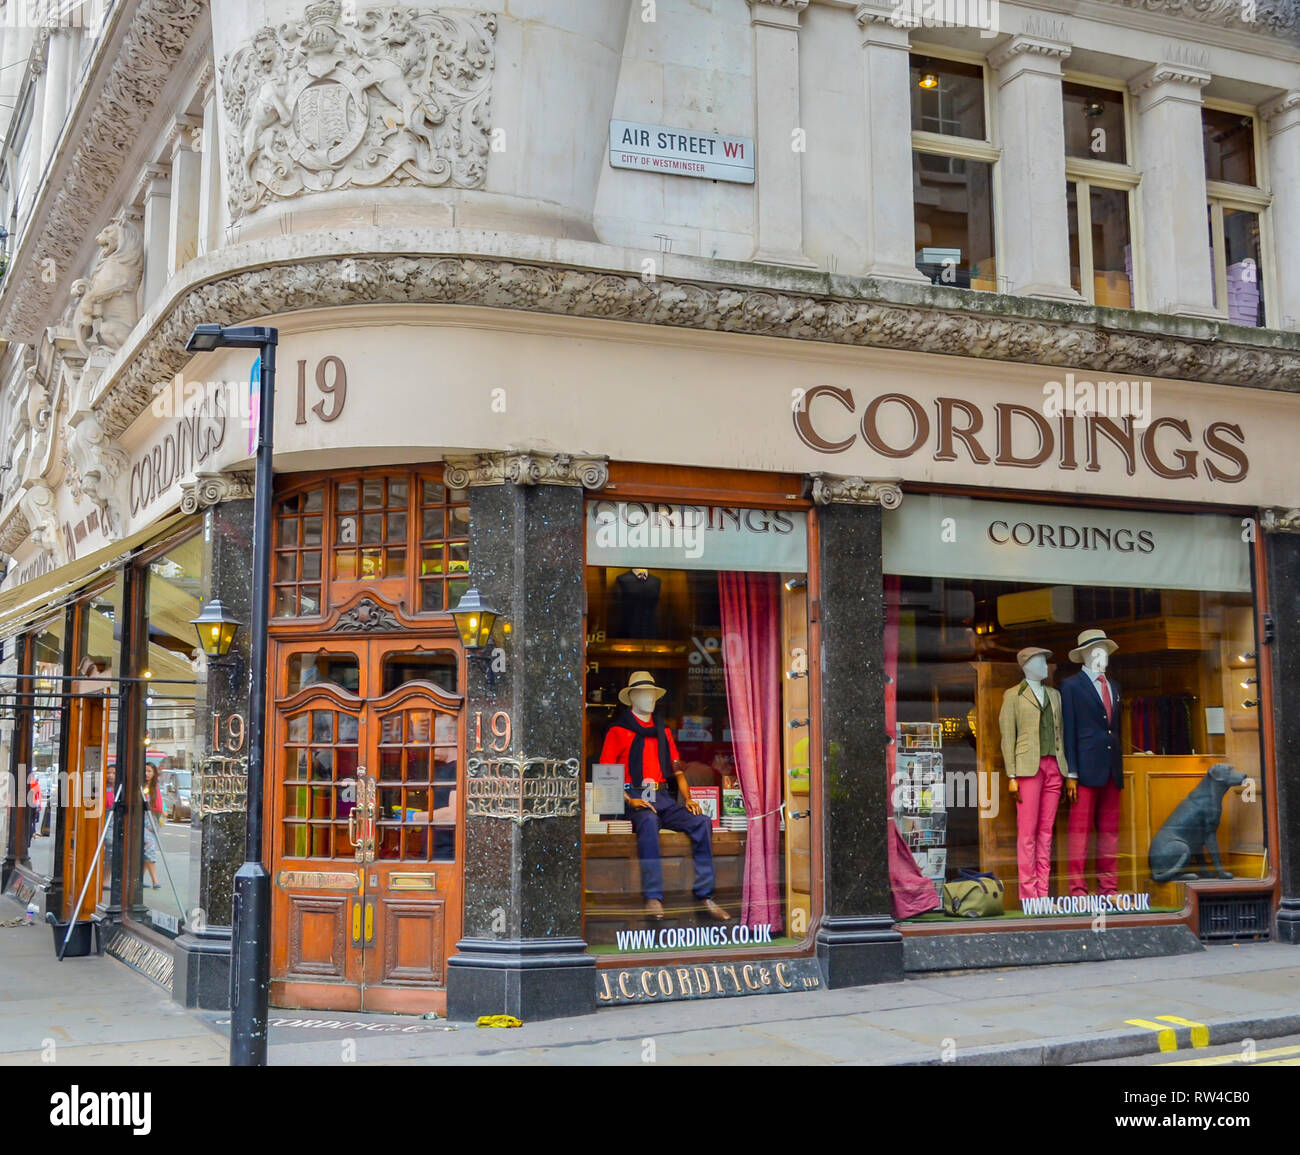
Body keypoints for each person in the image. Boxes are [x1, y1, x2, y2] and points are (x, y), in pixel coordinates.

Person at [599, 671, 730, 922]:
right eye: (644, 694)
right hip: (633, 795)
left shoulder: (664, 731)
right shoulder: (618, 731)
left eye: (652, 694)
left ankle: (705, 896)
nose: (649, 699)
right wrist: (629, 800)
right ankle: (654, 897)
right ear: (633, 697)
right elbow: (606, 777)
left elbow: (678, 770)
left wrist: (689, 798)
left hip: (662, 797)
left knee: (701, 822)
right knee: (647, 821)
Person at [141, 762, 164, 889]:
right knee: (149, 848)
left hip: (152, 822)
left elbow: (159, 806)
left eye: (149, 771)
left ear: (154, 773)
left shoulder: (155, 787)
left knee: (147, 850)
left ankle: (138, 878)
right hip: (142, 822)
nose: (147, 774)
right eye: (145, 771)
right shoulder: (140, 787)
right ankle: (155, 881)